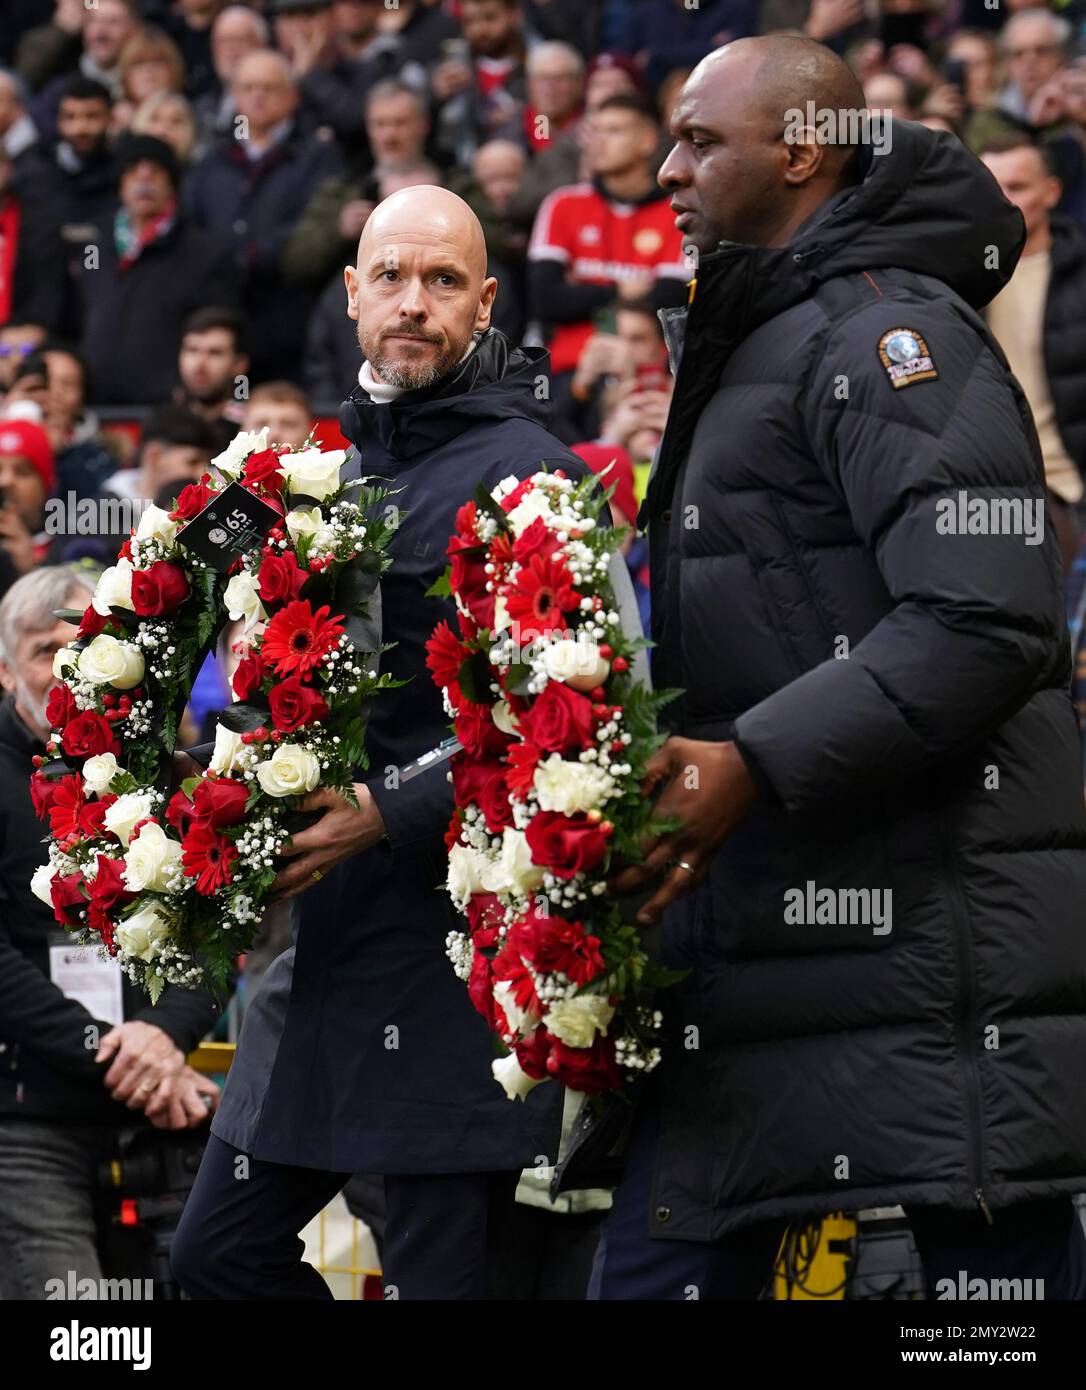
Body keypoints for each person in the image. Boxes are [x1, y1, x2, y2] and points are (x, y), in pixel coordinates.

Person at [589, 34, 1086, 1301]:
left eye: (701, 139)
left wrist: (750, 760)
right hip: (783, 946)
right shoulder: (771, 332)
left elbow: (987, 616)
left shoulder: (888, 334)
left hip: (938, 968)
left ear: (805, 149)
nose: (666, 167)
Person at [170, 184, 595, 1302]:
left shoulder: (527, 471)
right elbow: (176, 617)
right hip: (313, 961)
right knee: (211, 1261)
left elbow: (554, 719)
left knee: (439, 1284)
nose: (415, 303)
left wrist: (386, 809)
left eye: (444, 281)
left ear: (487, 302)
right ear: (352, 293)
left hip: (452, 961)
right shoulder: (312, 466)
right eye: (393, 278)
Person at [0, 564, 221, 1299]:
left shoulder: (151, 765)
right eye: (41, 649)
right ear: (5, 670)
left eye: (81, 643)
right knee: (80, 1329)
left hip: (159, 1101)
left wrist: (166, 1035)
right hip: (31, 1120)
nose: (65, 664)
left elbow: (215, 920)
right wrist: (110, 1054)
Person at [183, 48, 342, 381]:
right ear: (235, 96)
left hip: (292, 321)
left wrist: (255, 253)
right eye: (248, 88)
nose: (258, 96)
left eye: (269, 88)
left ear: (292, 95)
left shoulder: (318, 156)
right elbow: (192, 227)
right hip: (224, 316)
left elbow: (316, 228)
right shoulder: (212, 160)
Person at [528, 93, 687, 382]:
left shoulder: (678, 213)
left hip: (650, 374)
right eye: (595, 131)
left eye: (614, 131)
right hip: (568, 371)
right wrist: (618, 291)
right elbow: (546, 300)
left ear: (647, 141)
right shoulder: (562, 204)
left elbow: (670, 301)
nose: (598, 142)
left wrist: (581, 295)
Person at [981, 135, 1086, 570]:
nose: (1002, 200)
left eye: (1018, 187)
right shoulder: (954, 276)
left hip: (1066, 488)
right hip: (985, 489)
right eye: (991, 186)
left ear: (1052, 192)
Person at [74, 133, 236, 405]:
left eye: (155, 173)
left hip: (165, 409)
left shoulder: (205, 253)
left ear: (172, 184)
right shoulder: (94, 245)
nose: (144, 181)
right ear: (120, 183)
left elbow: (217, 329)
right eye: (134, 172)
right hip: (94, 405)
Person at [173, 305, 249, 449]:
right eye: (192, 350)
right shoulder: (162, 425)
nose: (200, 364)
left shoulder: (252, 429)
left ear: (240, 364)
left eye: (215, 353)